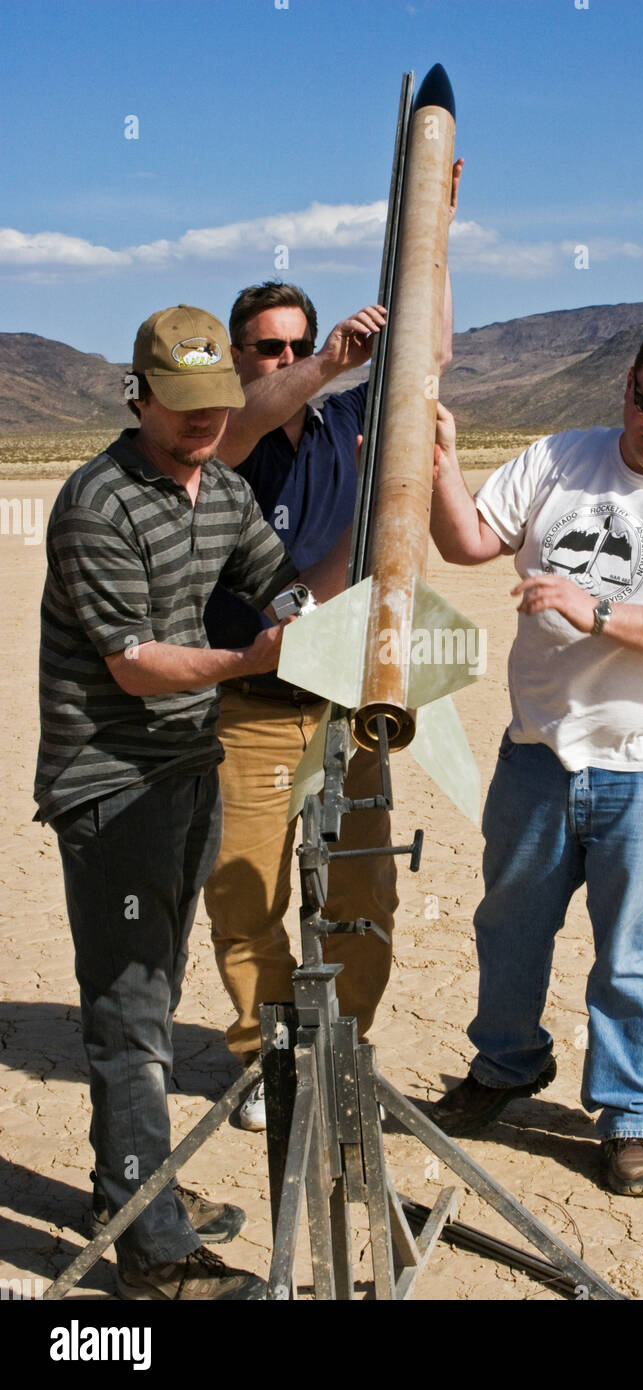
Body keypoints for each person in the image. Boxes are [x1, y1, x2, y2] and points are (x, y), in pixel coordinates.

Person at [426, 323, 643, 1196]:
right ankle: (504, 1069)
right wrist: (441, 462)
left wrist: (600, 614)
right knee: (508, 928)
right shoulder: (559, 459)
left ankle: (627, 1119)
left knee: (630, 951)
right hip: (539, 753)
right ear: (627, 387)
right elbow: (468, 541)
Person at [35, 304, 302, 1299]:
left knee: (153, 991)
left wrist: (299, 615)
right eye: (179, 403)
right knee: (130, 1015)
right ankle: (150, 1255)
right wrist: (249, 659)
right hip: (114, 783)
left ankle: (128, 1193)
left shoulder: (221, 488)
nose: (199, 421)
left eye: (214, 404)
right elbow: (136, 665)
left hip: (188, 770)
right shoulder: (97, 502)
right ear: (136, 393)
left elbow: (269, 574)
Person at [202, 162, 462, 1131]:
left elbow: (423, 351)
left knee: (360, 889)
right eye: (269, 347)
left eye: (300, 343)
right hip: (251, 703)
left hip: (352, 698)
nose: (287, 357)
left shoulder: (355, 425)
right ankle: (268, 1063)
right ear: (238, 355)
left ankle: (341, 1047)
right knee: (247, 890)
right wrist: (322, 367)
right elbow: (239, 424)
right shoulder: (218, 435)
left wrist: (434, 221)